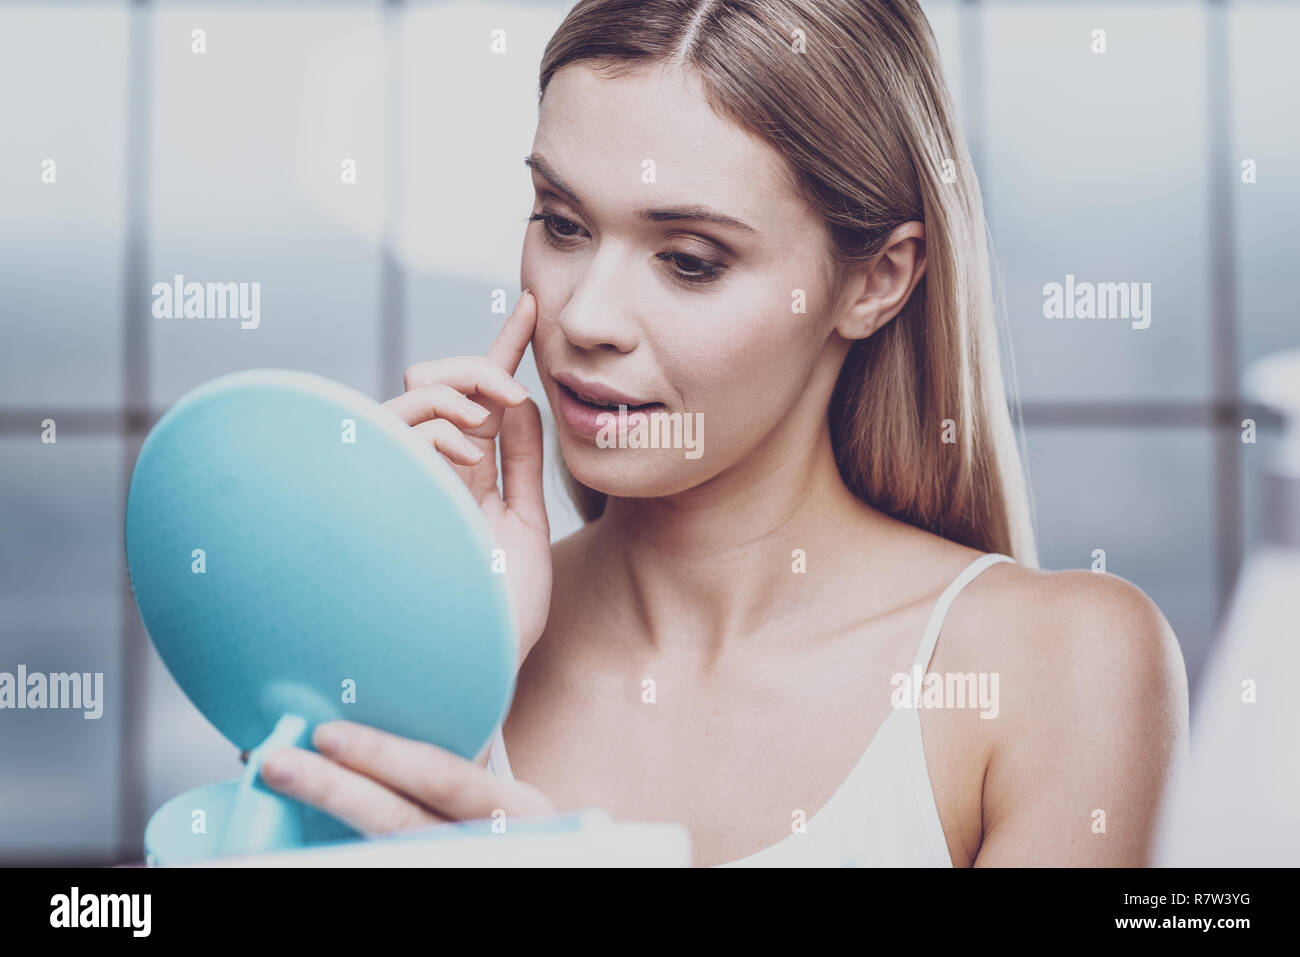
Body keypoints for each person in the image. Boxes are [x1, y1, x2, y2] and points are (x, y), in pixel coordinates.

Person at [261, 0, 1188, 867]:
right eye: (561, 221)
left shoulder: (1061, 667)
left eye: (690, 261)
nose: (586, 316)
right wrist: (430, 663)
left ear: (875, 281)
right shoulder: (445, 655)